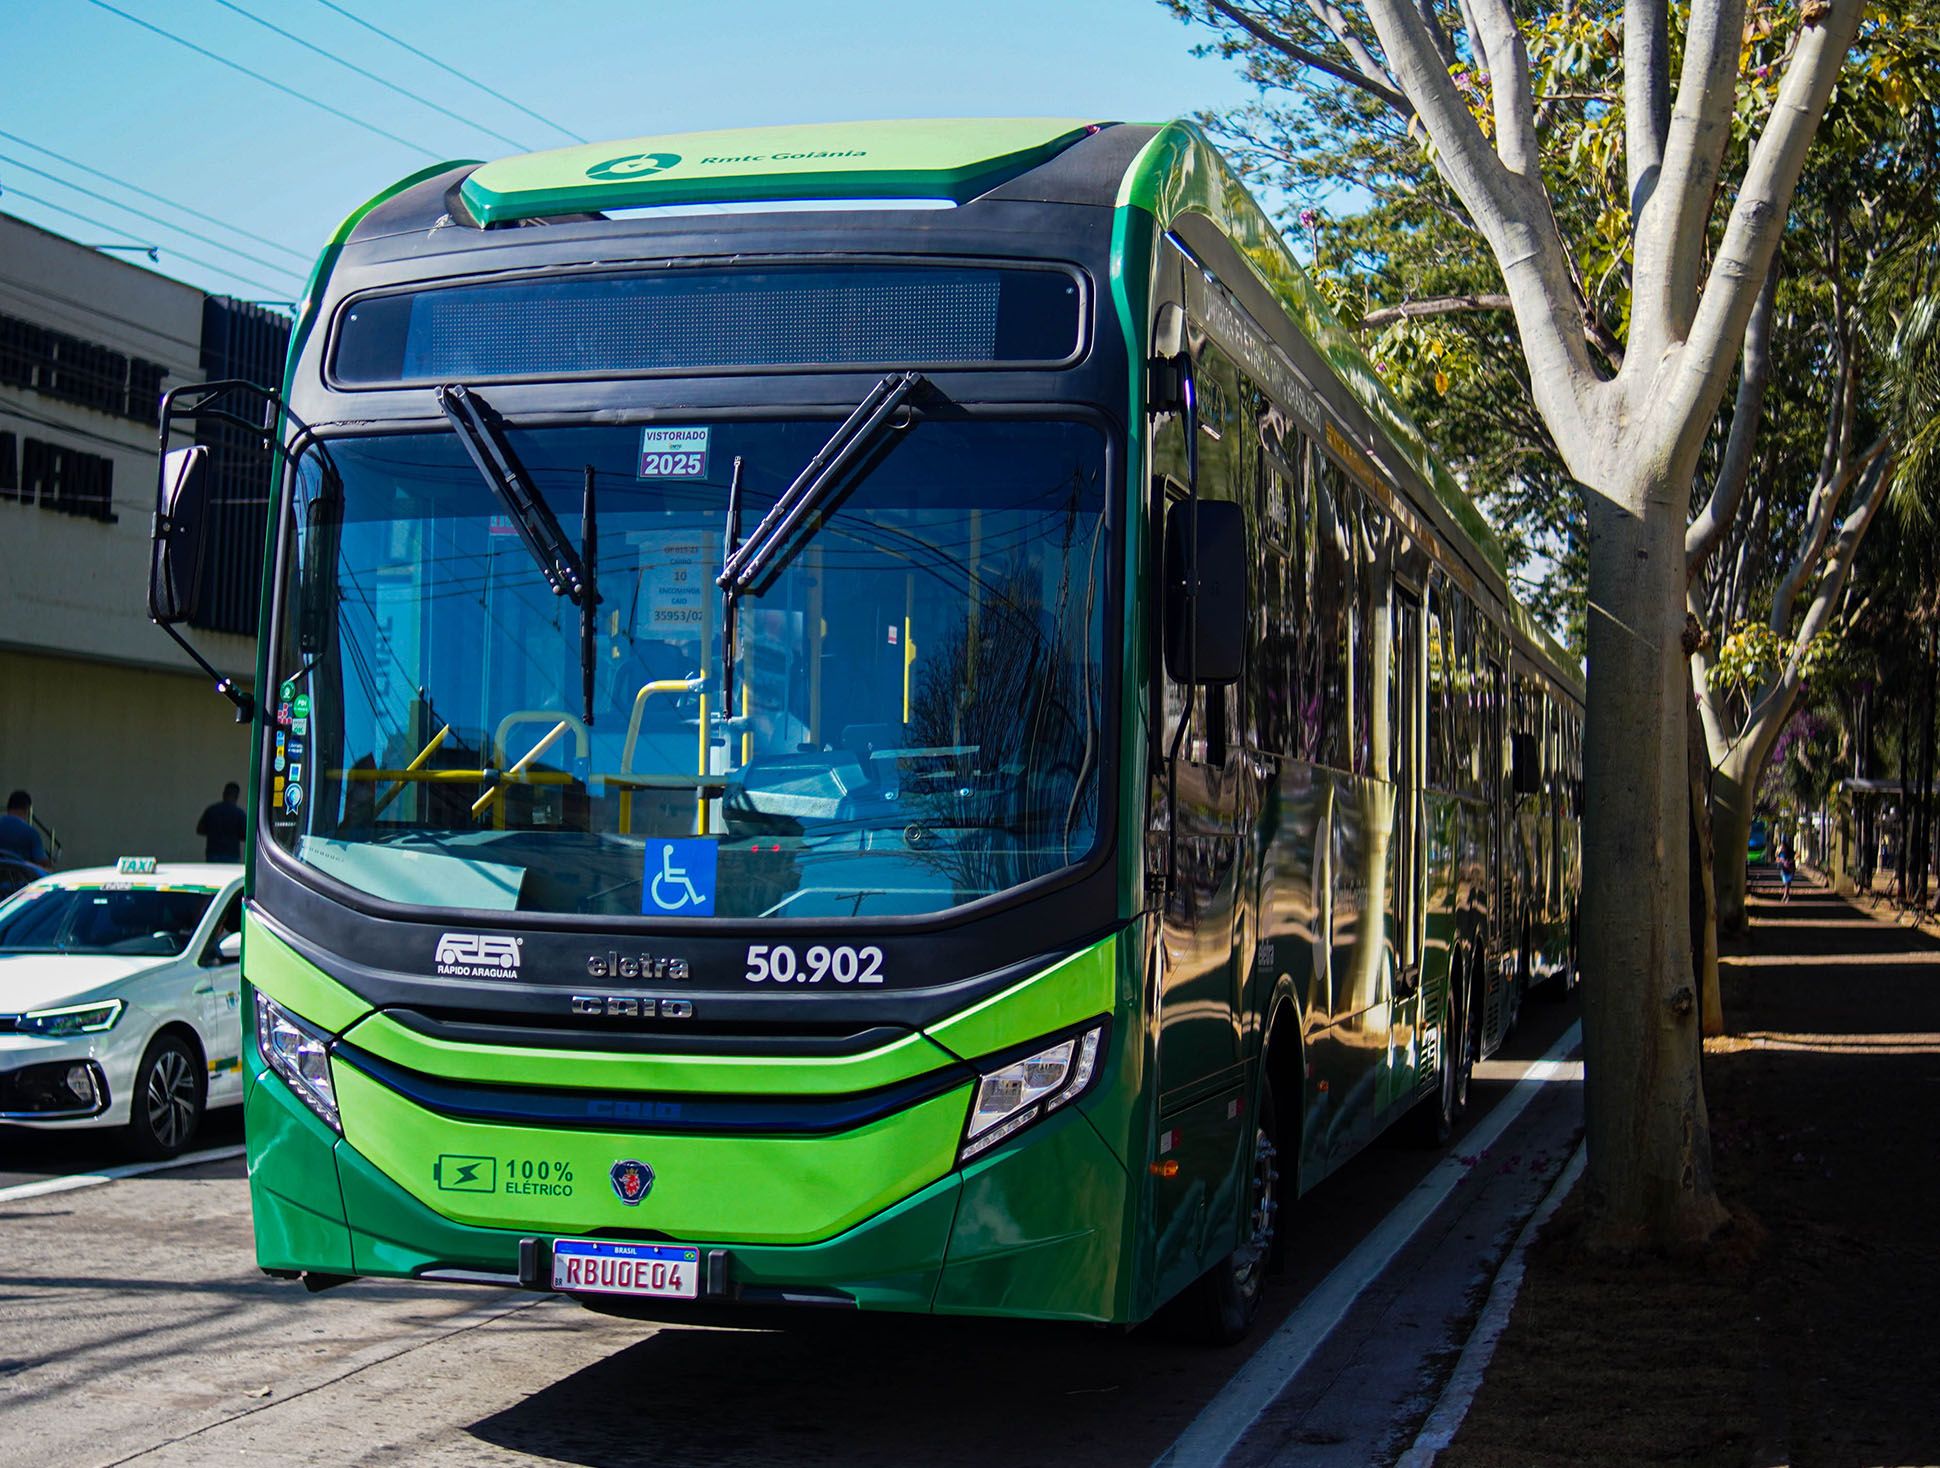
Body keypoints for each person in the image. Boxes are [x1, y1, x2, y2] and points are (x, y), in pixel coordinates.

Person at [196, 782, 246, 863]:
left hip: (213, 853)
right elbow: (246, 835)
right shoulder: (239, 813)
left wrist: (213, 832)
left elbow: (200, 830)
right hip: (231, 854)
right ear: (236, 796)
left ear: (224, 794)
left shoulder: (211, 810)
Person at [0, 790, 49, 866]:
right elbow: (41, 861)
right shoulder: (31, 833)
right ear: (27, 809)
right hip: (19, 872)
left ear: (8, 808)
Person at [1777, 838, 1797, 902]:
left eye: (1782, 847)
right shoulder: (1781, 853)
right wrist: (1781, 860)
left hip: (1790, 869)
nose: (1781, 848)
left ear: (1785, 847)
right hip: (1783, 870)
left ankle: (1785, 896)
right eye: (1781, 847)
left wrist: (1790, 862)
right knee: (1786, 883)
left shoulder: (1790, 852)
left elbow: (1796, 856)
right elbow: (1778, 859)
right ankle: (1787, 896)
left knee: (1787, 883)